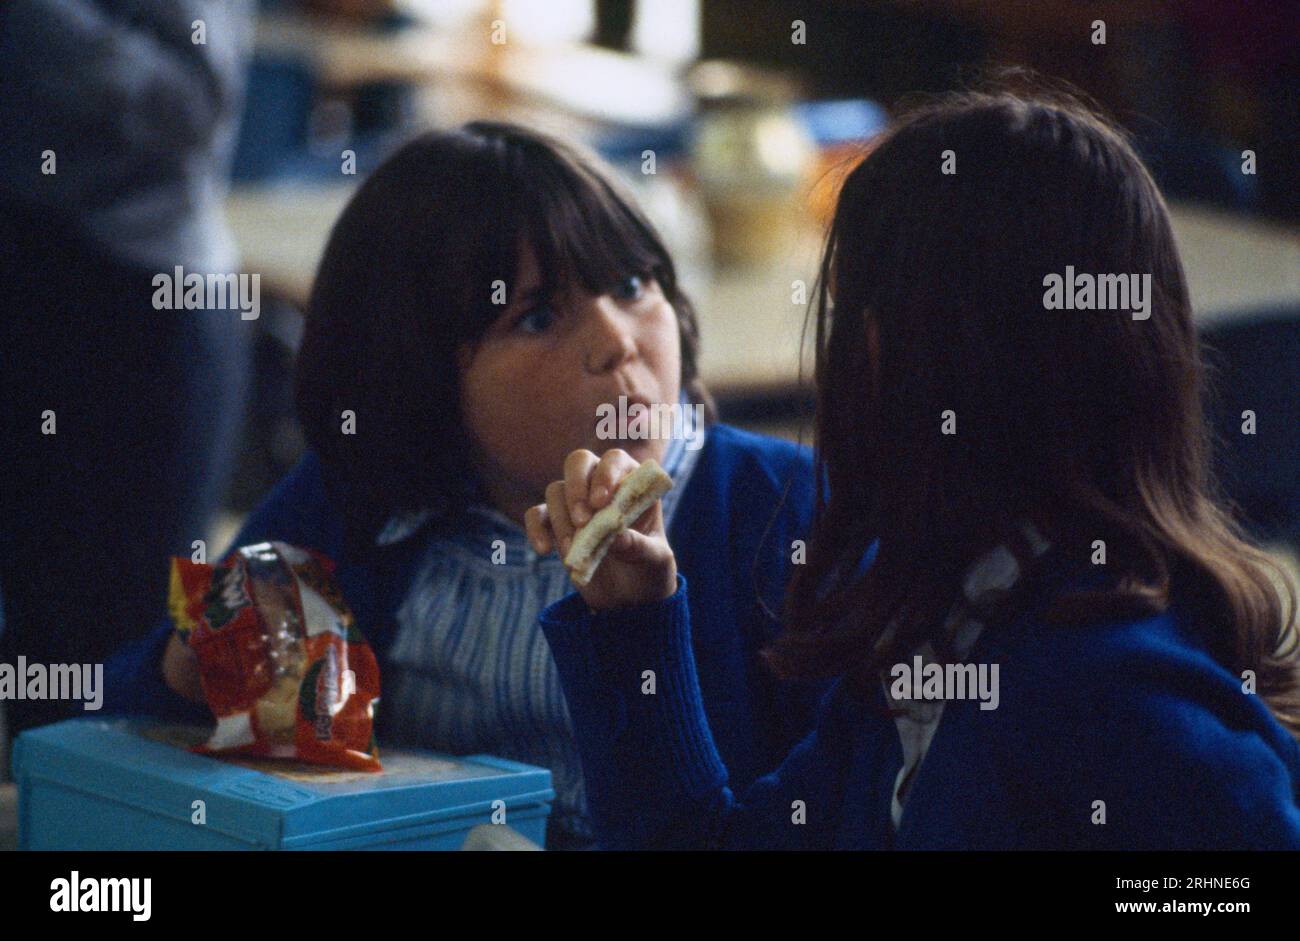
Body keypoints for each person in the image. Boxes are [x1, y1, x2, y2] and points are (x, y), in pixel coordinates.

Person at [527, 90, 1300, 849]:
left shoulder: (1113, 692)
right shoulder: (942, 631)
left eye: (849, 310)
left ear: (889, 353)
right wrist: (633, 618)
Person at [104, 123, 822, 849]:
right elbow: (123, 717)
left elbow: (833, 812)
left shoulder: (778, 509)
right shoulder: (363, 498)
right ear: (423, 381)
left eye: (633, 284)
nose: (618, 340)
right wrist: (193, 667)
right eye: (537, 317)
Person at [0, 1, 254, 736]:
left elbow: (188, 110)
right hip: (31, 275)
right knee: (39, 667)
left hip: (137, 311)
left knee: (105, 685)